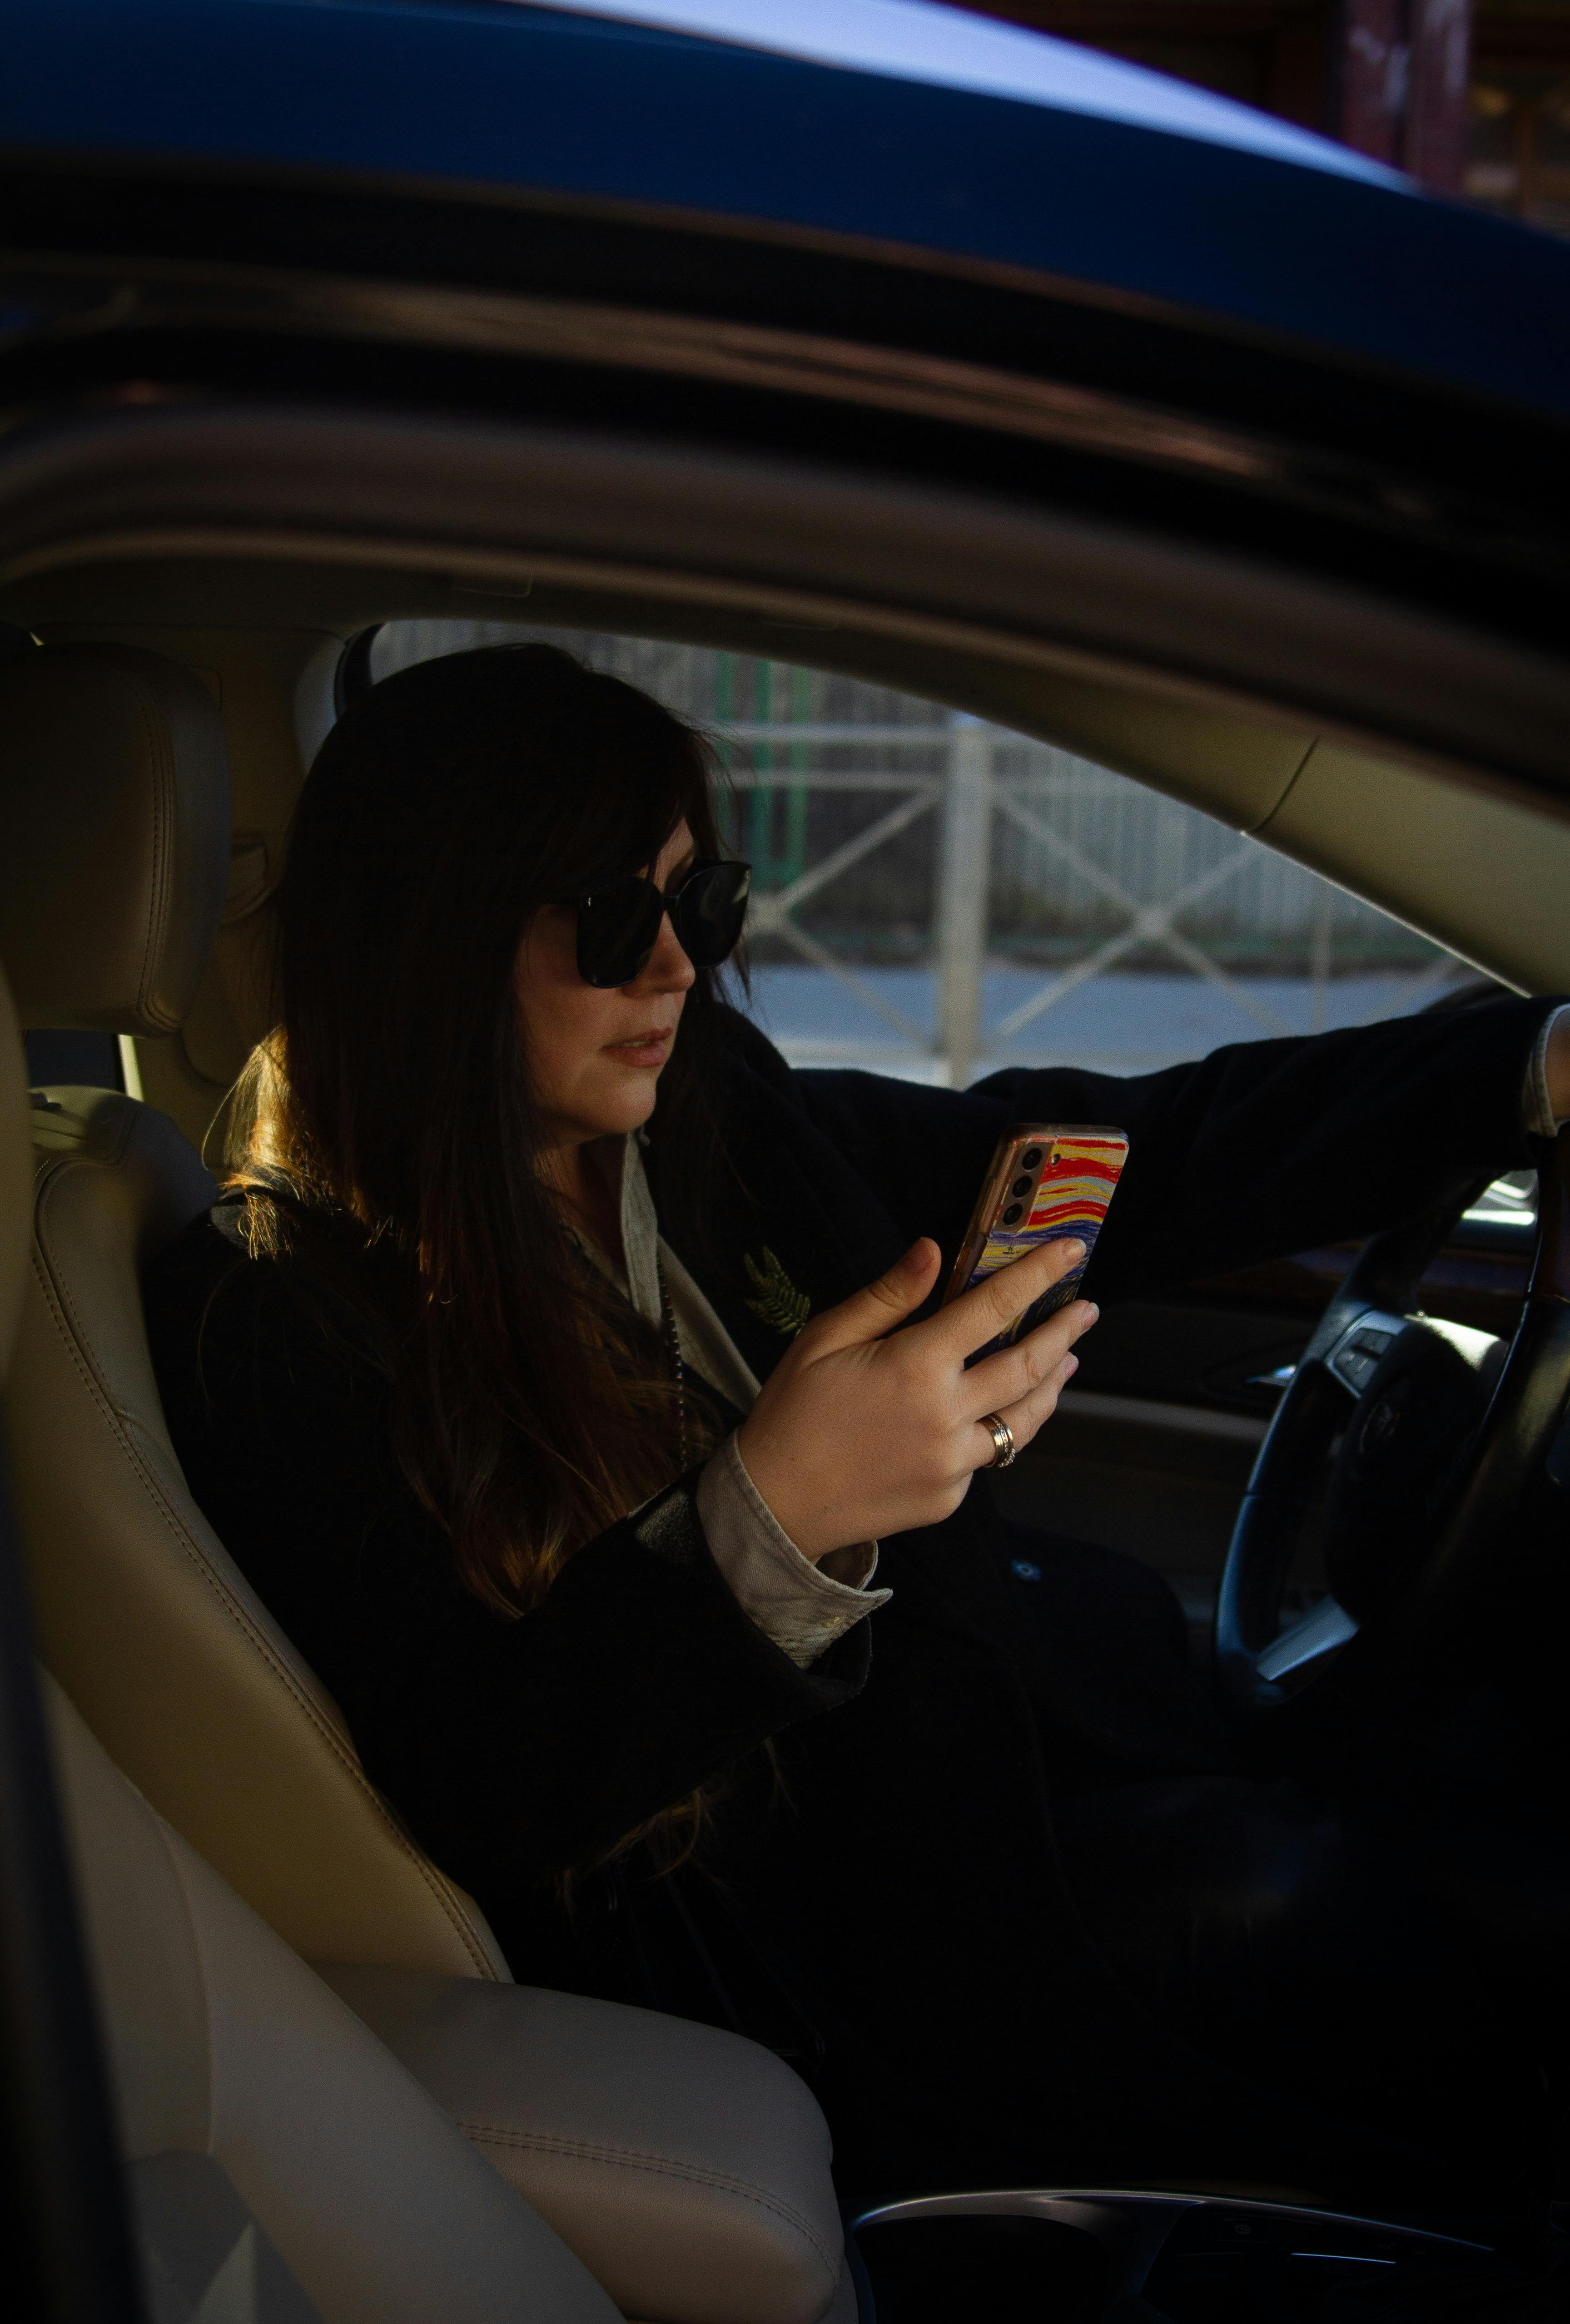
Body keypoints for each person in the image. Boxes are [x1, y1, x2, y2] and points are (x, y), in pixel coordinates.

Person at [145, 644, 1570, 2212]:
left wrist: (1518, 1066)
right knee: (1320, 1910)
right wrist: (777, 1516)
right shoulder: (273, 1314)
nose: (680, 967)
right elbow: (486, 1777)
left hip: (1014, 1721)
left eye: (705, 903)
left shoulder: (701, 1106)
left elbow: (1120, 1154)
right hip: (843, 1945)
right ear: (428, 940)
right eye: (618, 919)